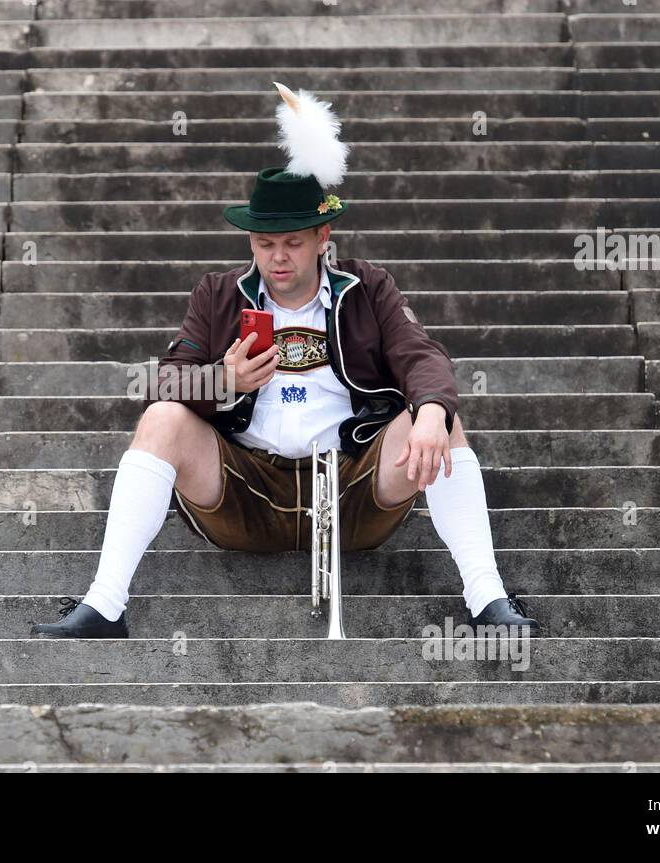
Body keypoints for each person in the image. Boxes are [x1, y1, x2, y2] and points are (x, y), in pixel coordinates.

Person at [31, 84, 539, 638]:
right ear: (250, 240)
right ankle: (105, 605)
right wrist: (222, 380)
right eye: (264, 242)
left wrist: (435, 412)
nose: (277, 257)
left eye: (293, 242)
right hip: (243, 491)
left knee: (437, 414)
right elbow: (167, 379)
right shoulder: (219, 294)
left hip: (351, 487)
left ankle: (486, 597)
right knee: (162, 418)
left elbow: (421, 356)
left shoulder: (367, 288)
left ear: (324, 236)